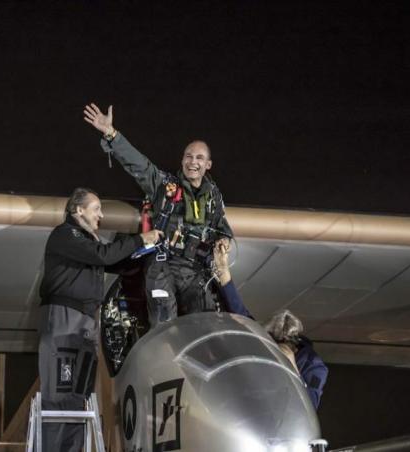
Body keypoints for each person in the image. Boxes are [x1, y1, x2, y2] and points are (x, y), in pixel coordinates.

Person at [83, 103, 233, 328]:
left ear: (208, 164)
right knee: (163, 325)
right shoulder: (165, 185)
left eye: (199, 158)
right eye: (189, 156)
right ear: (182, 160)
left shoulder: (214, 198)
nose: (193, 162)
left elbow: (223, 227)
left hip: (194, 269)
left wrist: (225, 240)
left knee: (204, 325)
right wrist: (111, 134)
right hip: (162, 264)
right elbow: (139, 165)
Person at [38, 187, 161, 452]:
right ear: (78, 210)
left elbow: (116, 261)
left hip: (85, 322)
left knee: (78, 396)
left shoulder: (88, 243)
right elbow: (103, 255)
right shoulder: (65, 234)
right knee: (60, 395)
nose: (101, 215)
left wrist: (151, 247)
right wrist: (140, 239)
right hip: (64, 320)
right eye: (96, 209)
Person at [213, 241, 329, 409]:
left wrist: (291, 365)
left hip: (283, 416)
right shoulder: (266, 345)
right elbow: (241, 315)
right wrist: (223, 270)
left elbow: (310, 406)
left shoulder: (314, 365)